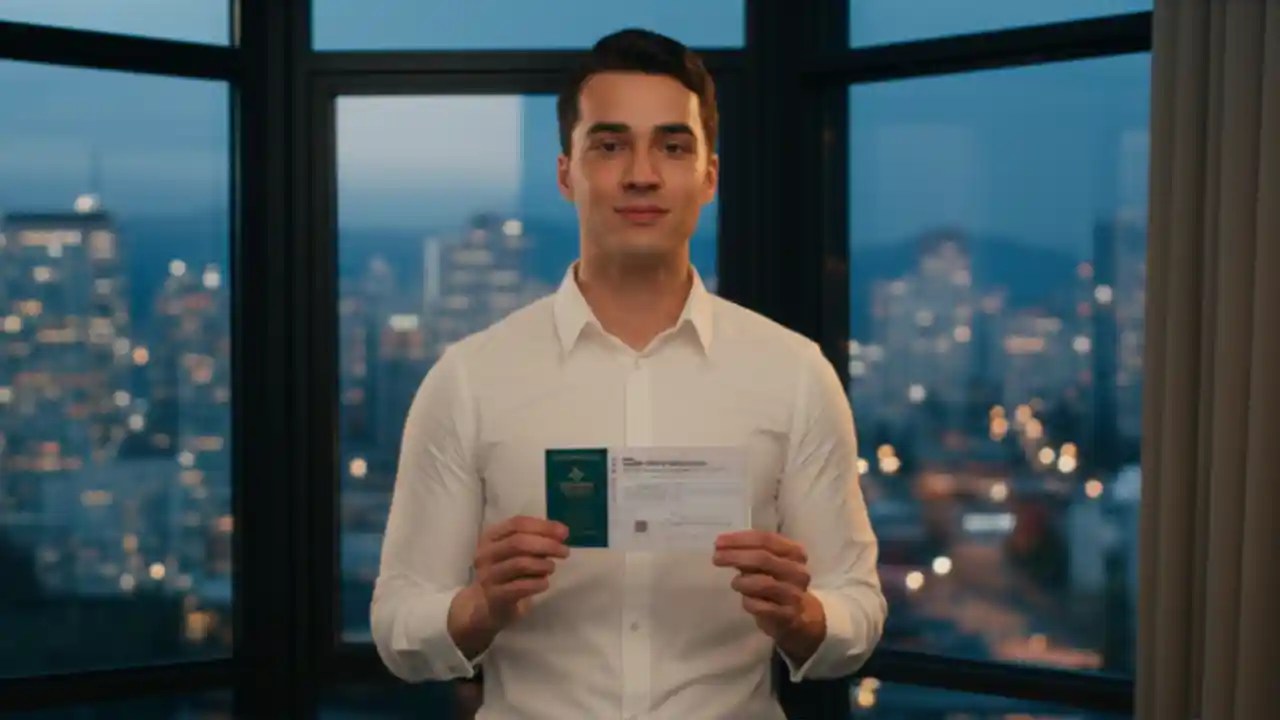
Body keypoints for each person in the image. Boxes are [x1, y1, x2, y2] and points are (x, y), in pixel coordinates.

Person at [371, 28, 886, 719]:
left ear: (709, 176)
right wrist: (478, 607)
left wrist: (804, 618)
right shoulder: (469, 378)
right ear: (566, 174)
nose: (642, 174)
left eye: (673, 147)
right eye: (610, 146)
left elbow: (859, 606)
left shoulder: (793, 373)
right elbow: (397, 627)